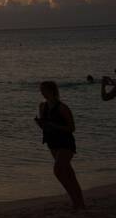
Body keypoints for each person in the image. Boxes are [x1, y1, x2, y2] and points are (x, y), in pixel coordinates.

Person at [35, 81, 85, 209]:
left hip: (65, 142)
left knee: (58, 171)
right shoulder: (42, 106)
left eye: (44, 90)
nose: (42, 93)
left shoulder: (62, 107)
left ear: (51, 91)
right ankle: (79, 202)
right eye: (41, 90)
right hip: (52, 142)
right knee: (68, 173)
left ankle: (75, 199)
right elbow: (44, 126)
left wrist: (54, 126)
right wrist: (40, 124)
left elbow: (72, 128)